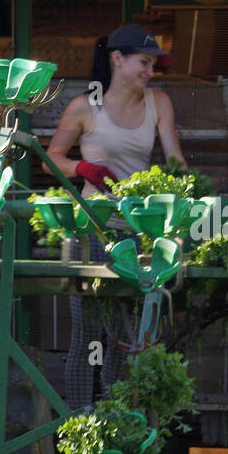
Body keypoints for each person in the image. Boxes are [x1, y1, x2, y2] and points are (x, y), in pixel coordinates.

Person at [43, 25, 187, 408]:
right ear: (117, 59)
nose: (150, 71)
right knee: (88, 334)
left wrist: (190, 192)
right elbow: (52, 157)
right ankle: (80, 420)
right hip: (90, 230)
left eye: (153, 64)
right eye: (144, 62)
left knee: (126, 334)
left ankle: (118, 420)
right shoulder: (85, 106)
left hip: (138, 233)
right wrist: (84, 169)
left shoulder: (159, 103)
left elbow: (175, 163)